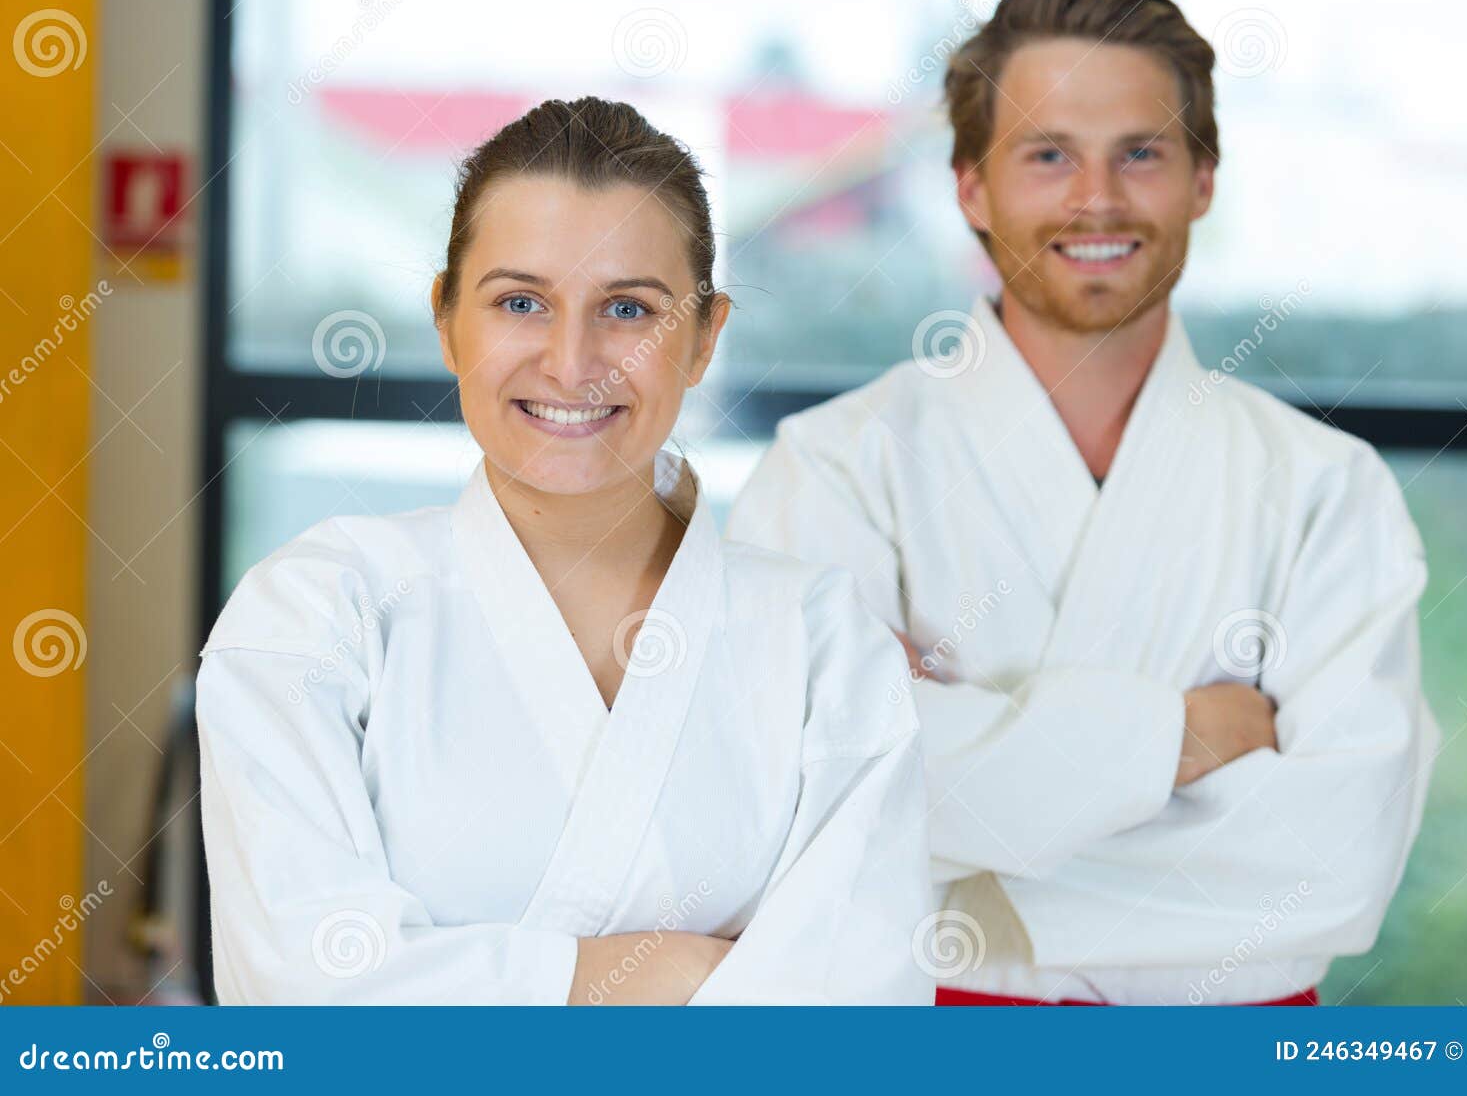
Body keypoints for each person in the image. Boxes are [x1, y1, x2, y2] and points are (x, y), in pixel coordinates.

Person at [727, 0, 1438, 1006]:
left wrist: (965, 843)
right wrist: (1186, 738)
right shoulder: (838, 467)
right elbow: (799, 814)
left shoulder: (1328, 490)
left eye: (1139, 153)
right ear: (970, 183)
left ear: (1203, 177)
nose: (1095, 198)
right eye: (1048, 154)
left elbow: (1339, 859)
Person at [196, 97, 933, 1005]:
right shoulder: (317, 612)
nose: (571, 361)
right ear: (445, 318)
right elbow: (302, 989)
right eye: (520, 302)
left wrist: (451, 979)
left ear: (705, 338)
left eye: (628, 309)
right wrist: (672, 970)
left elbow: (855, 1006)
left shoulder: (823, 638)